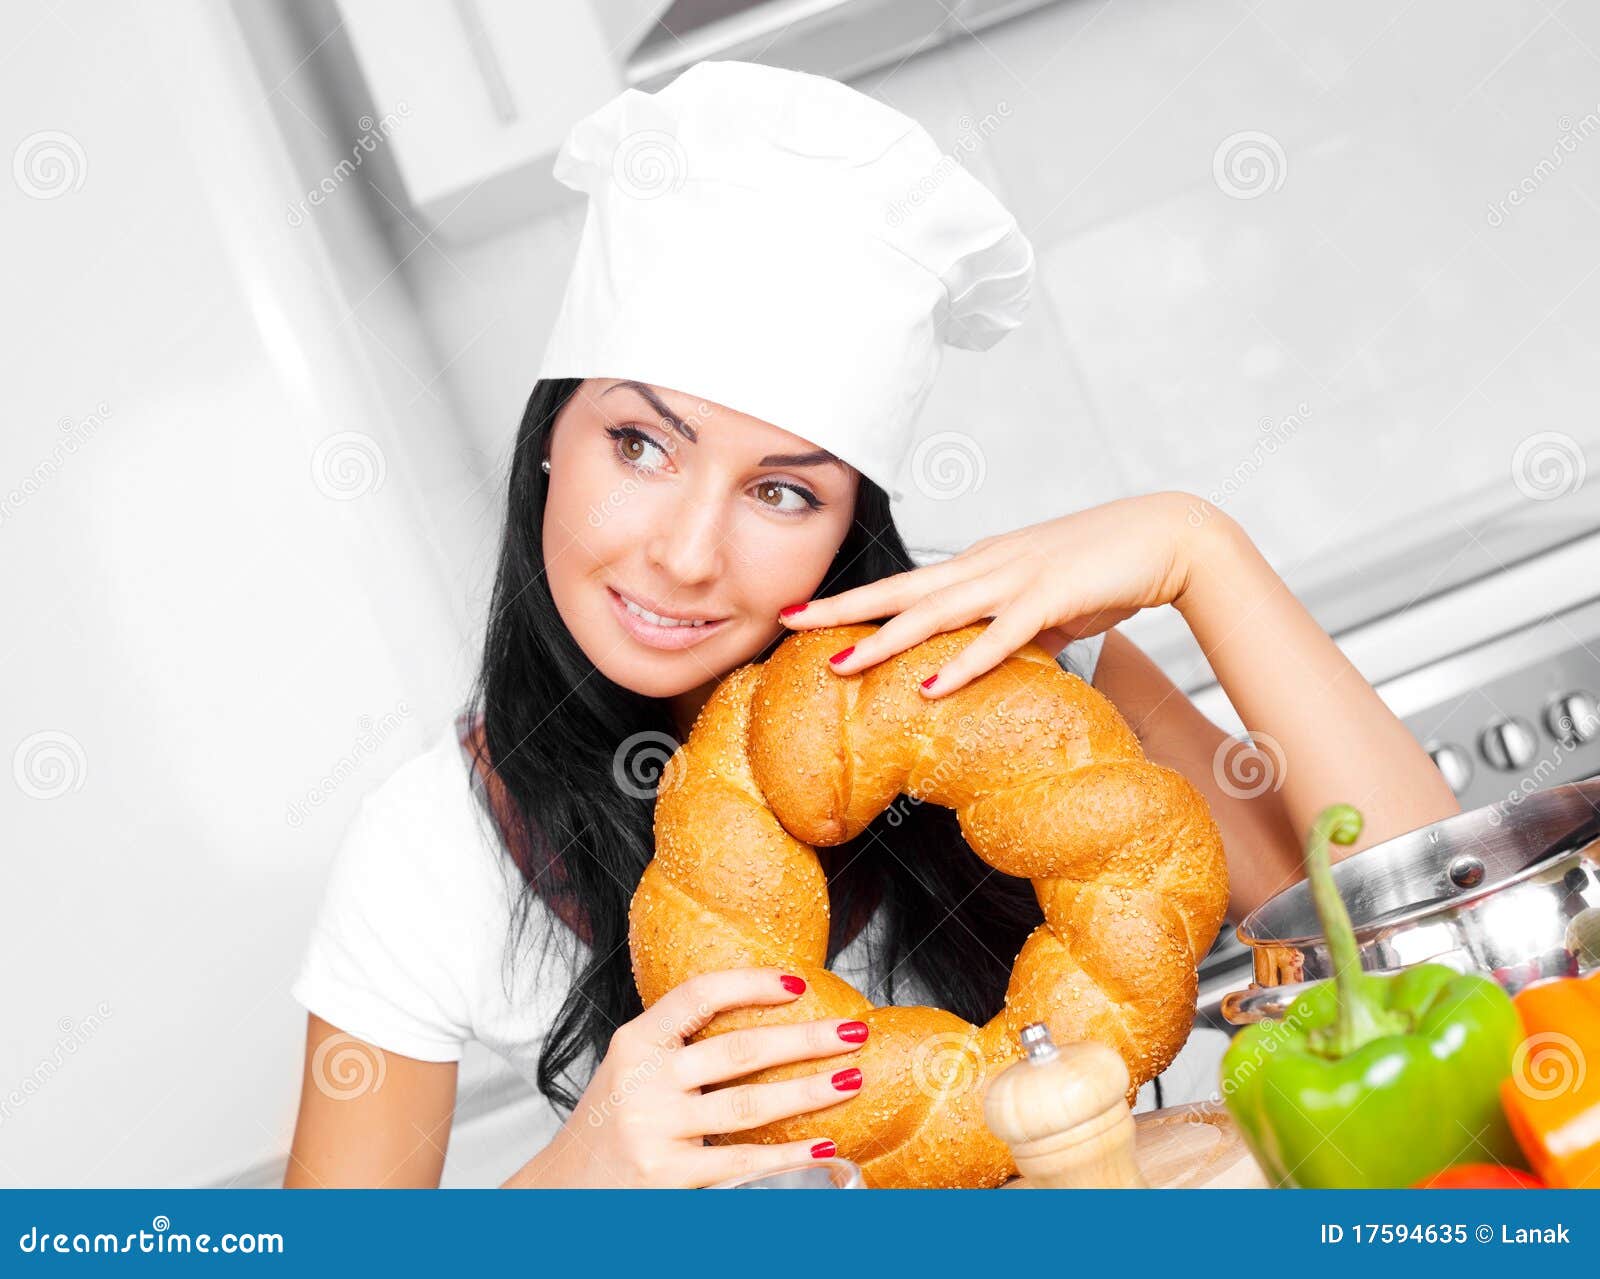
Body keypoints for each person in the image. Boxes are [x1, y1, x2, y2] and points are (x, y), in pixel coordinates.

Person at [283, 62, 1457, 1189]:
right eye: (640, 444)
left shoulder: (1003, 651)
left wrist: (1200, 552)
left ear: (849, 520)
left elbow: (1428, 956)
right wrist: (566, 1190)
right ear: (551, 436)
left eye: (781, 491)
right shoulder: (430, 852)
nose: (685, 554)